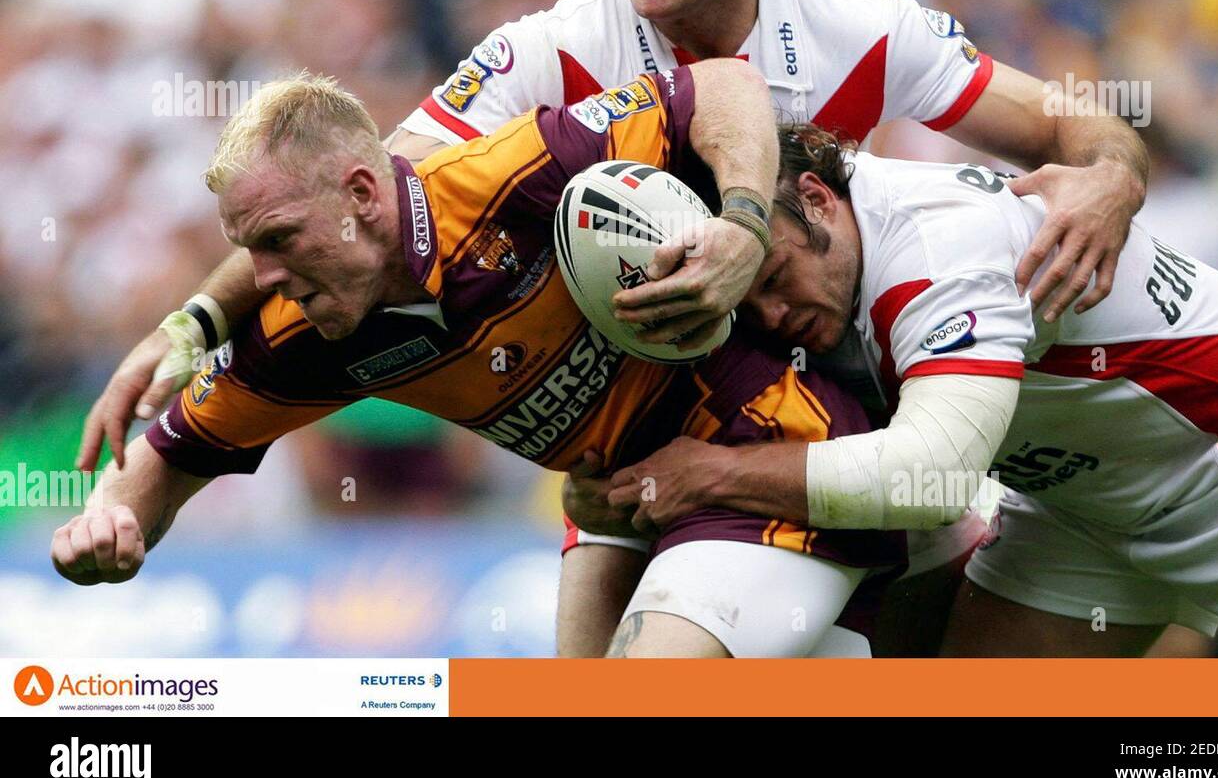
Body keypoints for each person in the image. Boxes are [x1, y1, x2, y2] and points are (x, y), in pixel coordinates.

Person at [79, 0, 1149, 655]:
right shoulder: (552, 49)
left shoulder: (856, 28)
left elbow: (1077, 130)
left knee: (951, 628)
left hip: (860, 386)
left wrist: (1111, 175)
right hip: (634, 428)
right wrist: (194, 327)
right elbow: (345, 200)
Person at [52, 67, 909, 659]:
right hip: (621, 503)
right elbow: (169, 452)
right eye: (248, 251)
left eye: (279, 241)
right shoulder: (301, 336)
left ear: (361, 196)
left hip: (768, 450)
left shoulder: (515, 174)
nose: (263, 278)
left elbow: (723, 85)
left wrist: (746, 221)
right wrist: (110, 520)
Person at [595, 124, 1218, 657]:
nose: (773, 319)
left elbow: (928, 477)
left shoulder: (939, 254)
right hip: (1083, 510)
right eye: (747, 308)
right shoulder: (828, 251)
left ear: (817, 197)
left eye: (774, 279)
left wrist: (710, 474)